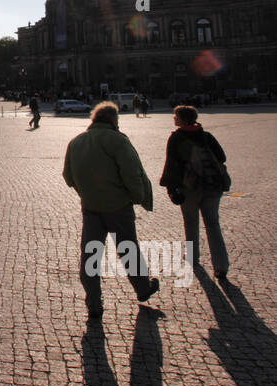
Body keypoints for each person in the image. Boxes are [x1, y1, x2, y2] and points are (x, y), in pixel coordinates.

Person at [62, 100, 159, 323]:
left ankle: (94, 304)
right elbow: (132, 172)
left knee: (90, 257)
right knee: (128, 250)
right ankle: (143, 288)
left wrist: (85, 192)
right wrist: (137, 196)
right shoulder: (117, 141)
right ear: (113, 120)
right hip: (118, 207)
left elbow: (68, 176)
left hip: (90, 207)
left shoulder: (76, 142)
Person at [159, 105, 230, 282]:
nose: (174, 119)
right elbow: (221, 157)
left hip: (189, 187)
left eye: (176, 116)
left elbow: (172, 166)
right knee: (213, 224)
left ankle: (193, 258)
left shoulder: (176, 138)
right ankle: (221, 266)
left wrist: (171, 189)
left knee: (191, 222)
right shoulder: (206, 136)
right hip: (212, 186)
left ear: (182, 119)